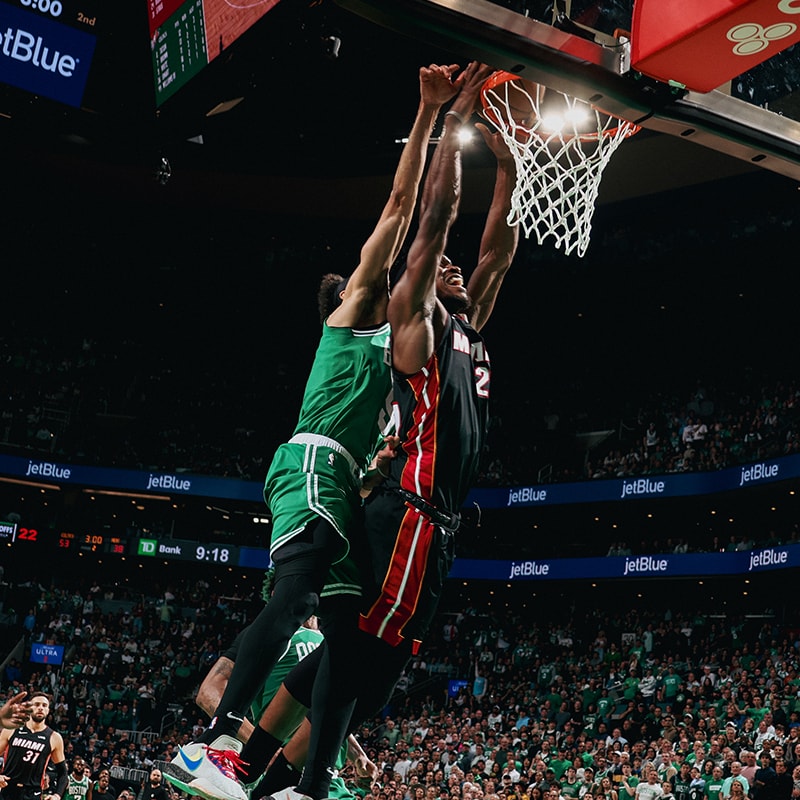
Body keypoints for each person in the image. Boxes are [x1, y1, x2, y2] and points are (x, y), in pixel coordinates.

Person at [163, 62, 462, 800]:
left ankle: (307, 785)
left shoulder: (403, 353)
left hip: (345, 481)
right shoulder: (356, 310)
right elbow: (400, 205)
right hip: (309, 462)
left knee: (348, 640)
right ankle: (214, 740)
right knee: (296, 600)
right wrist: (429, 116)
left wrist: (381, 460)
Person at [282, 59, 518, 800]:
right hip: (410, 510)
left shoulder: (470, 322)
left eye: (453, 267)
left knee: (374, 671)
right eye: (436, 265)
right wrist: (451, 127)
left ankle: (262, 763)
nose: (450, 266)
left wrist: (511, 167)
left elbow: (497, 250)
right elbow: (435, 223)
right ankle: (302, 780)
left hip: (436, 527)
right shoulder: (416, 323)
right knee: (359, 653)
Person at [0, 692, 67, 800]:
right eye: (37, 704)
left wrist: (57, 795)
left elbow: (63, 773)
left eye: (44, 705)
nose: (40, 708)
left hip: (32, 794)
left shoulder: (54, 737)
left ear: (48, 710)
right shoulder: (11, 729)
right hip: (7, 790)